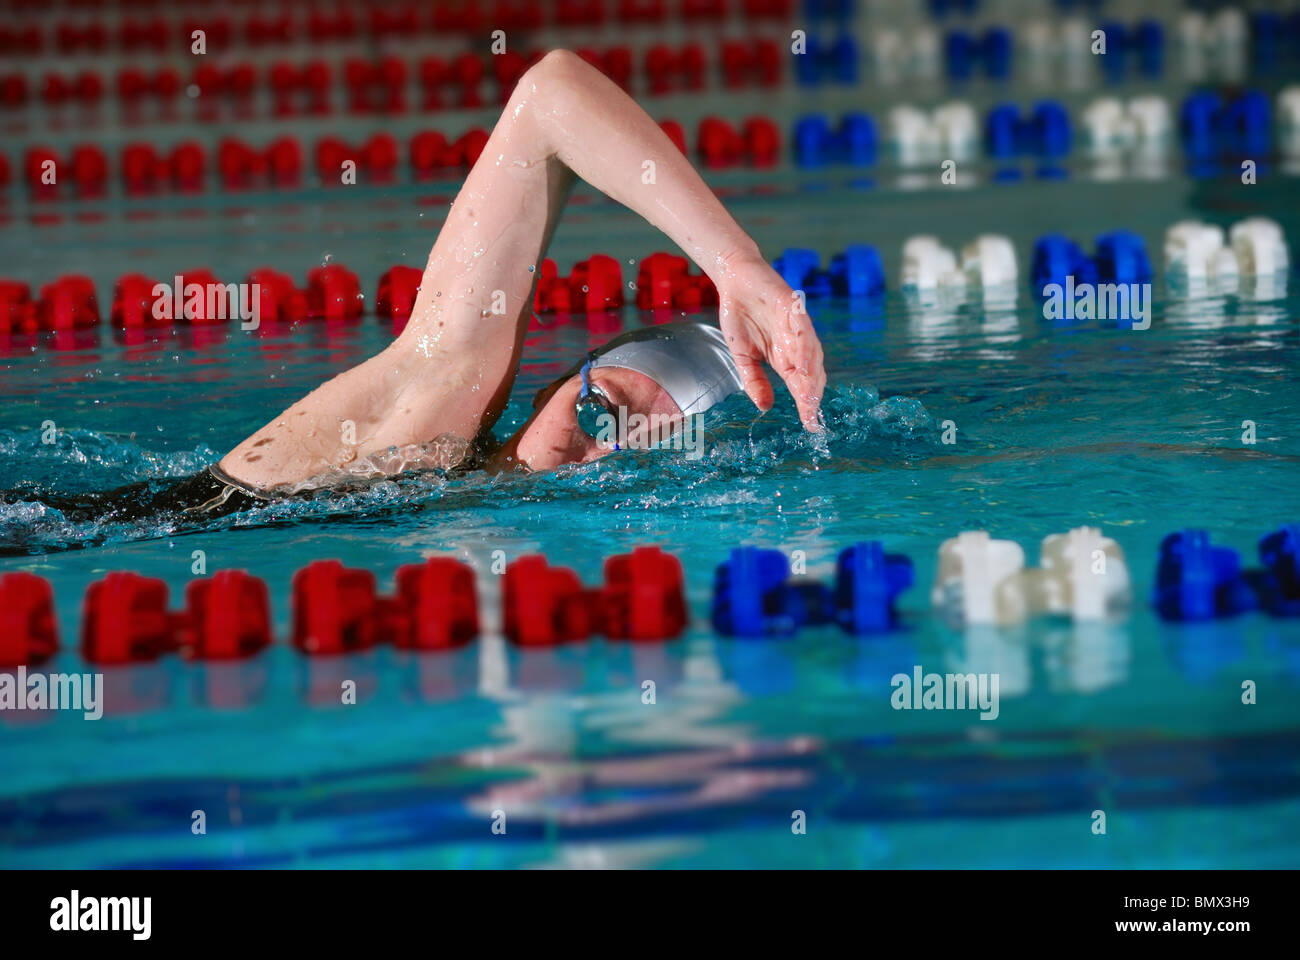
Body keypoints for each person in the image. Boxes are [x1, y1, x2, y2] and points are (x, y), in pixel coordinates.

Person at [9, 50, 827, 527]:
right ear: (556, 382)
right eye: (599, 409)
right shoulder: (437, 405)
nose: (595, 452)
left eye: (647, 448)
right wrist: (737, 264)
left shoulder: (474, 497)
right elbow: (549, 97)